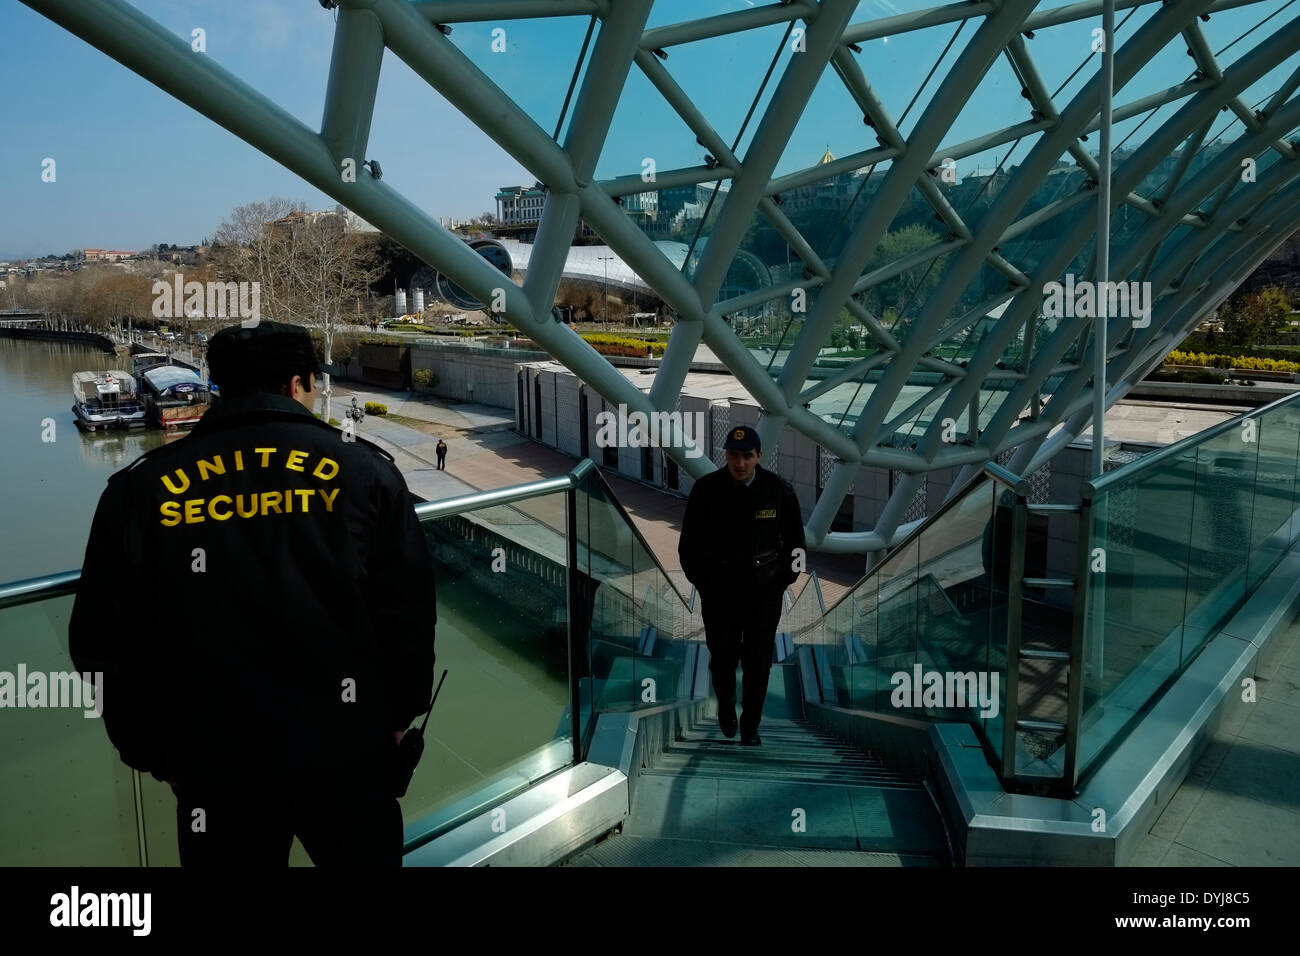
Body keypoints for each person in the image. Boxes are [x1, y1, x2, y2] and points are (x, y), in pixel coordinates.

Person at [69, 321, 437, 867]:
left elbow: (100, 640)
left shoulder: (142, 487)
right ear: (296, 384)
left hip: (214, 764)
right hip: (348, 753)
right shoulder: (366, 474)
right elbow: (407, 615)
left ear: (220, 385)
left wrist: (156, 753)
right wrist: (398, 716)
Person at [678, 425, 804, 746]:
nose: (740, 463)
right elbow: (688, 546)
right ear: (727, 456)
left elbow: (796, 546)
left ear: (759, 456)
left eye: (747, 456)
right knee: (722, 658)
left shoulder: (779, 492)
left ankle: (751, 725)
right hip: (719, 593)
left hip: (763, 594)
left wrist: (783, 582)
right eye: (734, 455)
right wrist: (703, 583)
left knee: (758, 663)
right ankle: (726, 707)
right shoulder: (706, 490)